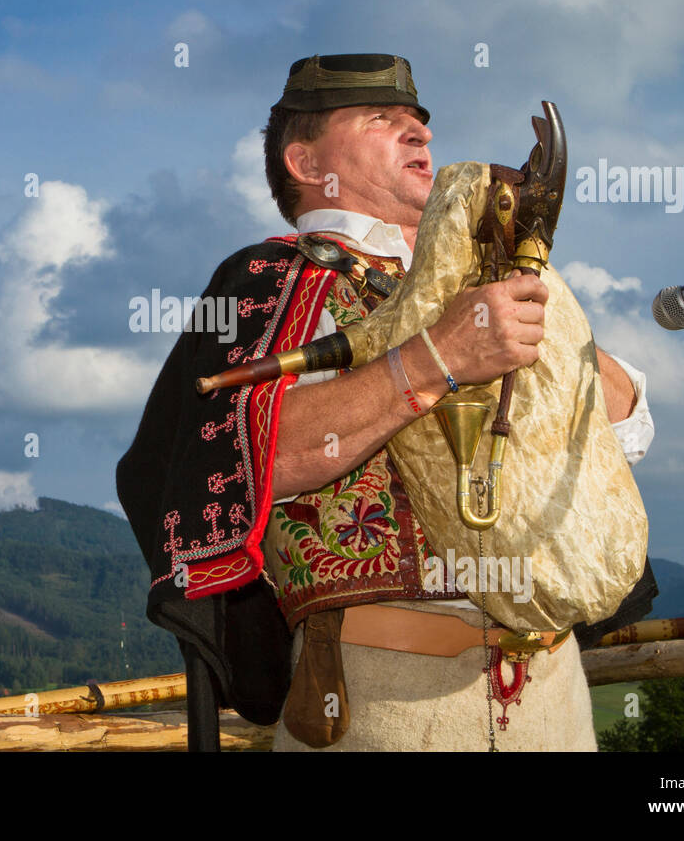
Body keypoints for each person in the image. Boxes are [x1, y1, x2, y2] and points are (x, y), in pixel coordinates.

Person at [117, 53, 654, 751]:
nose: (422, 136)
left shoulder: (482, 270)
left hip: (556, 692)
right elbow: (250, 457)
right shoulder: (264, 278)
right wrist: (439, 357)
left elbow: (625, 428)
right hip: (383, 697)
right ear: (307, 162)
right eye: (383, 119)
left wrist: (534, 271)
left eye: (422, 123)